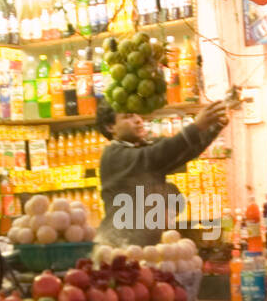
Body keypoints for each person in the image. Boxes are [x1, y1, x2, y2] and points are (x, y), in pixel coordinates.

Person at [94, 98, 228, 247]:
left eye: (137, 115)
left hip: (144, 245)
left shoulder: (139, 148)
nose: (138, 120)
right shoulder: (114, 156)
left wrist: (215, 127)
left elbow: (182, 152)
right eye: (128, 116)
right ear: (110, 127)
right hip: (119, 247)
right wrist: (196, 126)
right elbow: (158, 154)